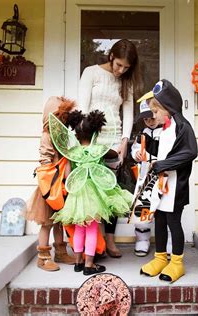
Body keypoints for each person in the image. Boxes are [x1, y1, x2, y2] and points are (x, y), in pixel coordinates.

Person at [50, 110, 133, 275]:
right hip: (94, 196)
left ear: (76, 134)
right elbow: (114, 154)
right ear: (95, 132)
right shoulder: (99, 150)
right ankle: (89, 265)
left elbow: (67, 176)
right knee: (92, 229)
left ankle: (78, 262)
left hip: (77, 196)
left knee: (80, 228)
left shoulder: (72, 153)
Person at [78, 39, 140, 258]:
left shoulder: (126, 81)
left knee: (112, 190)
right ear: (111, 56)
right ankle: (93, 242)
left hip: (115, 140)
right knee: (93, 191)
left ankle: (110, 239)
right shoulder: (91, 73)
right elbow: (82, 108)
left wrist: (125, 140)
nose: (120, 70)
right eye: (118, 65)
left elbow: (129, 111)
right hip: (94, 140)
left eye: (126, 68)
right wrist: (85, 142)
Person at [138, 80, 198, 283]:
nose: (154, 116)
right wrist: (144, 148)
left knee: (173, 222)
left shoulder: (182, 126)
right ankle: (160, 257)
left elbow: (190, 152)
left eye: (156, 111)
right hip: (162, 185)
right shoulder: (166, 128)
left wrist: (163, 164)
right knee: (160, 221)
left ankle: (177, 262)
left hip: (176, 186)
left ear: (168, 108)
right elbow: (162, 150)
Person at [24, 97, 76, 271]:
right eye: (61, 117)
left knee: (60, 221)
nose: (64, 121)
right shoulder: (47, 135)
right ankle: (43, 257)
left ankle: (60, 252)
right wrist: (51, 176)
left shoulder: (61, 135)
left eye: (65, 118)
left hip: (61, 184)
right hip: (50, 186)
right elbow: (45, 158)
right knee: (47, 222)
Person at [130, 100, 172, 257]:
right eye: (145, 119)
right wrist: (136, 154)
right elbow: (134, 150)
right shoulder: (142, 134)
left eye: (151, 118)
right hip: (146, 176)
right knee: (143, 209)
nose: (149, 121)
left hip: (164, 175)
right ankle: (142, 240)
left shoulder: (167, 131)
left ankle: (168, 243)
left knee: (166, 209)